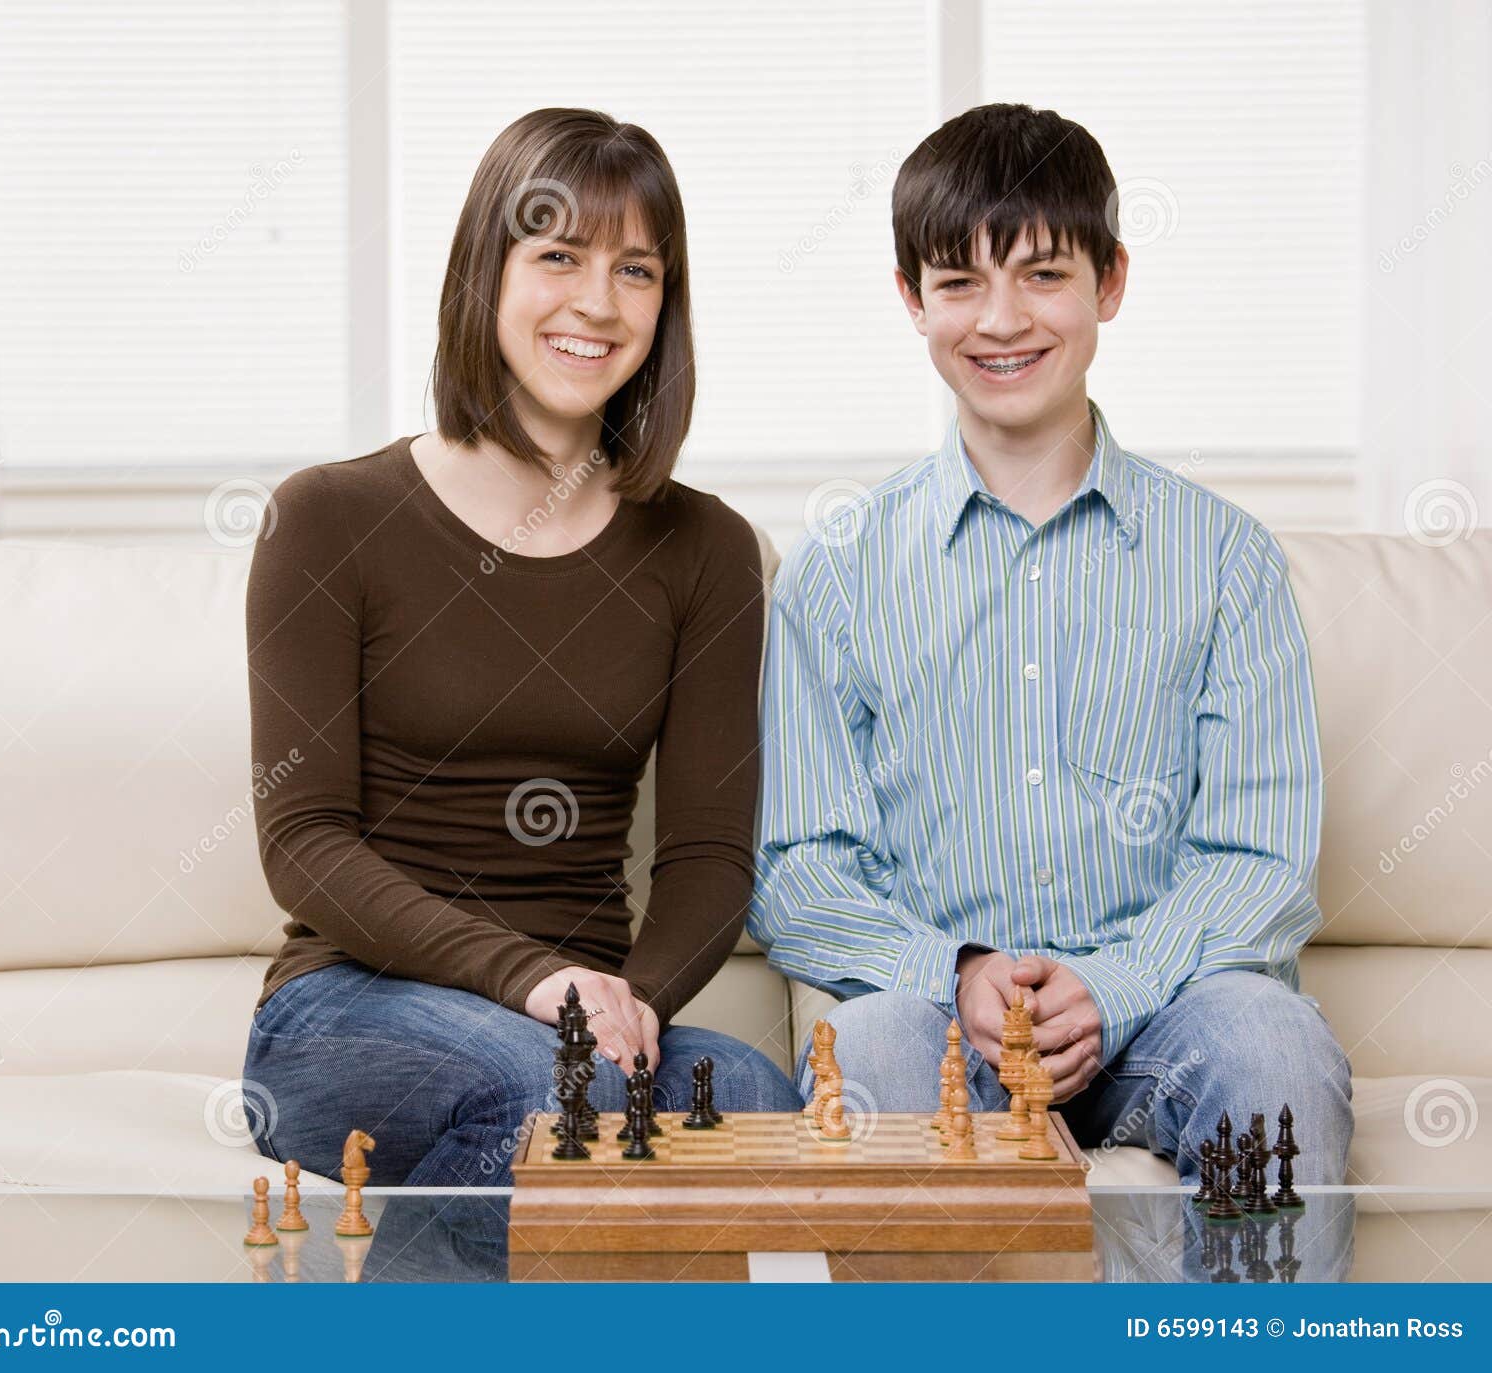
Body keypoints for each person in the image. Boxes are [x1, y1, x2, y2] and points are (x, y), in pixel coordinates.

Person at [748, 103, 1353, 1184]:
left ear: (1108, 282)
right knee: (875, 1040)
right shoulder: (836, 571)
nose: (1000, 318)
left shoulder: (1224, 558)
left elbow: (1259, 857)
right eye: (958, 282)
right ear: (910, 300)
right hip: (942, 1018)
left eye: (1041, 274)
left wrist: (1116, 983)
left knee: (1271, 1036)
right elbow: (801, 867)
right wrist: (957, 968)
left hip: (1168, 1007)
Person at [241, 107, 800, 1189]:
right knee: (557, 1091)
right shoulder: (327, 516)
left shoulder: (707, 548)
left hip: (579, 1020)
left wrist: (623, 1000)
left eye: (636, 270)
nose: (597, 301)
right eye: (557, 255)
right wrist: (540, 986)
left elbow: (706, 858)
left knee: (752, 1101)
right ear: (484, 272)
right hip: (351, 1004)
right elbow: (303, 837)